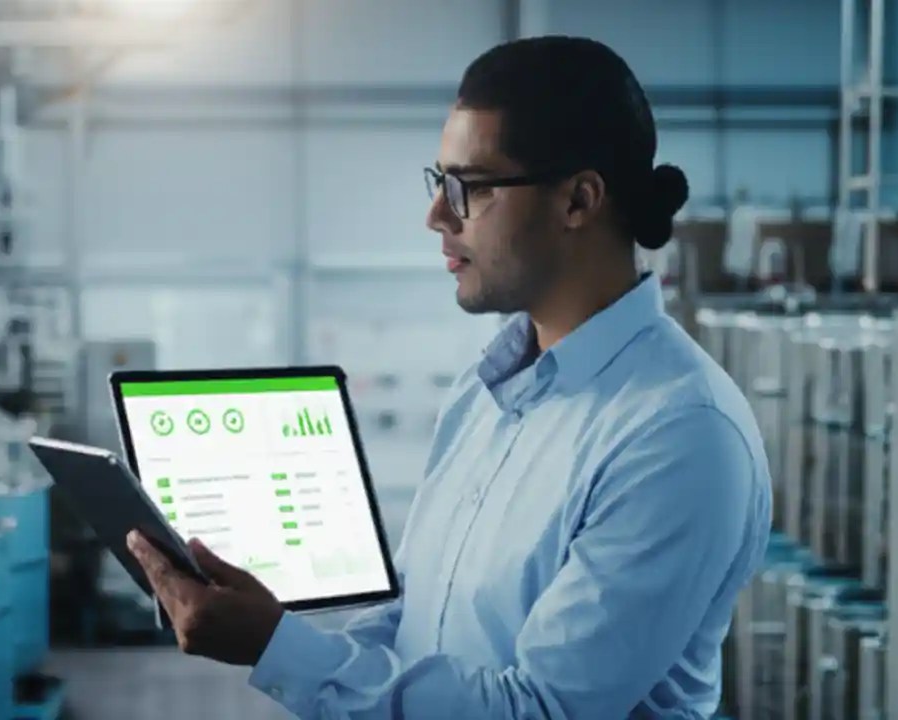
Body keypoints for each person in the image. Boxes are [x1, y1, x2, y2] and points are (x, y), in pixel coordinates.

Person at [127, 35, 772, 719]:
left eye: (473, 186)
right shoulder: (487, 393)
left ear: (578, 201)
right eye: (440, 183)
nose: (436, 216)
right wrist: (275, 629)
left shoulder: (678, 435)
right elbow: (413, 621)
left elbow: (539, 710)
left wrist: (276, 648)